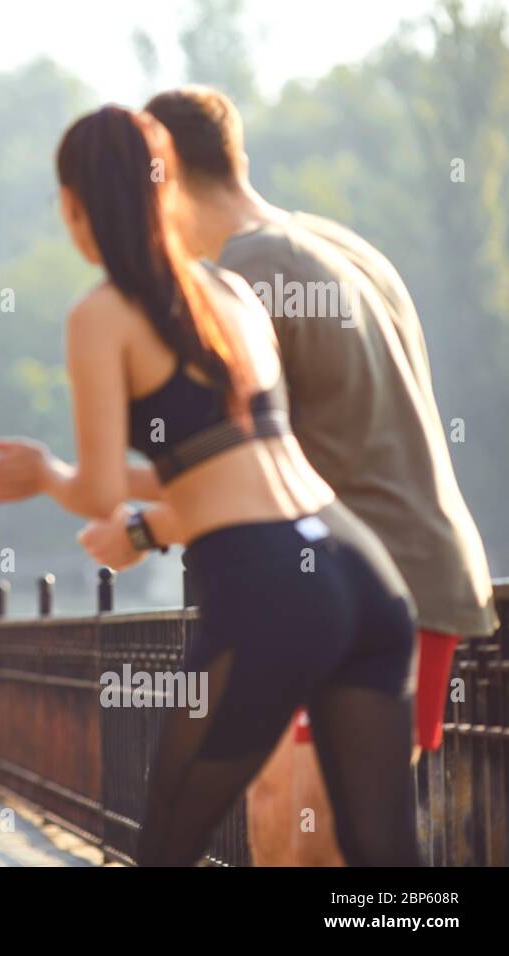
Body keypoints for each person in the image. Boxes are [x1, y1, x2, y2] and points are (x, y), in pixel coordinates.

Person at [0, 105, 421, 866]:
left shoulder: (101, 313)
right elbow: (216, 468)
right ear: (165, 191)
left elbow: (102, 493)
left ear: (74, 205)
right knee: (388, 856)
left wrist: (51, 478)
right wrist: (52, 476)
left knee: (168, 841)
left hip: (271, 583)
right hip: (360, 565)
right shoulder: (231, 293)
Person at [144, 85, 499, 865]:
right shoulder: (334, 242)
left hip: (356, 583)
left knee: (297, 832)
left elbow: (244, 462)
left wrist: (140, 525)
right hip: (408, 570)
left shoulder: (252, 268)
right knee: (349, 845)